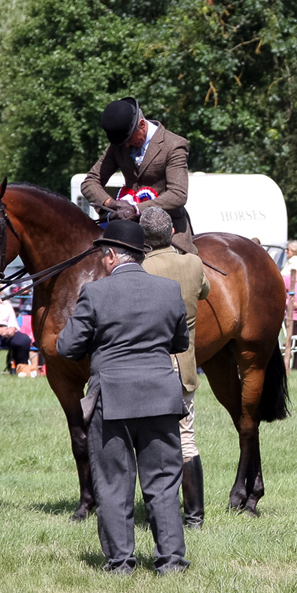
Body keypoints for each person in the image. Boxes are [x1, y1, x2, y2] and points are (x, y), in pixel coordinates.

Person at [56, 220, 190, 574]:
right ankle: (172, 562)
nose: (102, 262)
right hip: (161, 396)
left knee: (114, 484)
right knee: (163, 483)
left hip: (112, 398)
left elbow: (67, 347)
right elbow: (180, 344)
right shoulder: (169, 290)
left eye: (103, 256)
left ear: (112, 255)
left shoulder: (95, 293)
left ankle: (121, 563)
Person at [141, 208, 211, 529]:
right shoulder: (194, 263)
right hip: (184, 365)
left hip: (150, 366)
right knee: (186, 439)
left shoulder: (141, 267)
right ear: (171, 231)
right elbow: (206, 291)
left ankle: (157, 512)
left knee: (148, 441)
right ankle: (194, 516)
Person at [82, 96, 197, 253]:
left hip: (166, 229)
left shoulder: (174, 145)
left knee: (178, 271)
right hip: (128, 229)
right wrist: (111, 203)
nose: (127, 145)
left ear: (142, 125)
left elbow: (178, 194)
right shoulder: (119, 145)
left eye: (129, 140)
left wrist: (136, 208)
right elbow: (90, 182)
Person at [0, 298, 34, 376]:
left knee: (23, 340)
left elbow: (12, 319)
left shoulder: (6, 303)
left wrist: (12, 328)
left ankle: (22, 367)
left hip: (6, 329)